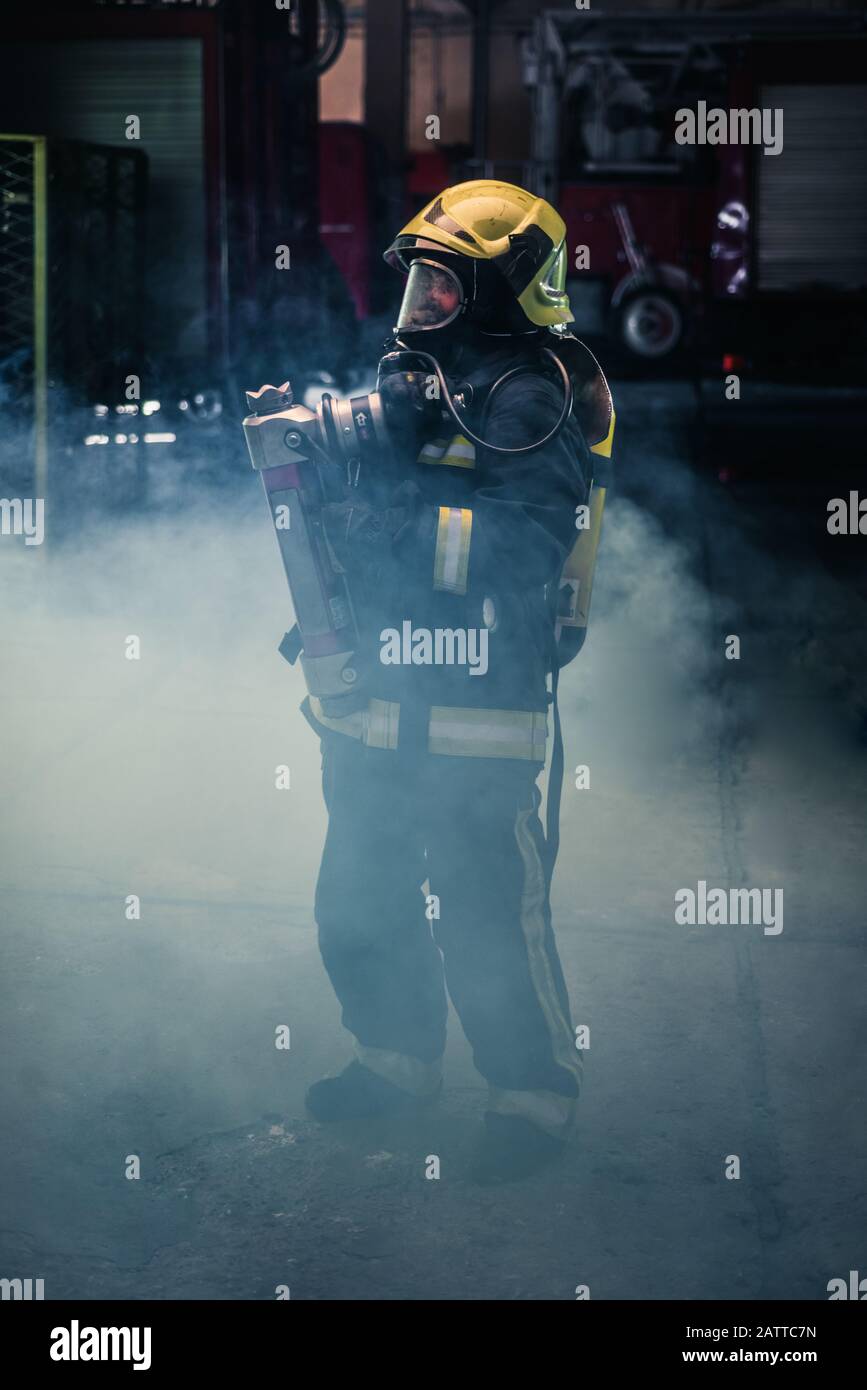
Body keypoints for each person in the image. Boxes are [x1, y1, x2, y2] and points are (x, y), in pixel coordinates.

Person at [301, 181, 595, 1183]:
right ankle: (394, 1054)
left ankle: (533, 1089)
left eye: (442, 285)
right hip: (377, 693)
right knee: (359, 891)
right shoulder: (413, 375)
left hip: (480, 702)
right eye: (418, 283)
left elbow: (525, 544)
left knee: (485, 906)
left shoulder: (530, 396)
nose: (419, 303)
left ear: (502, 290)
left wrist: (396, 533)